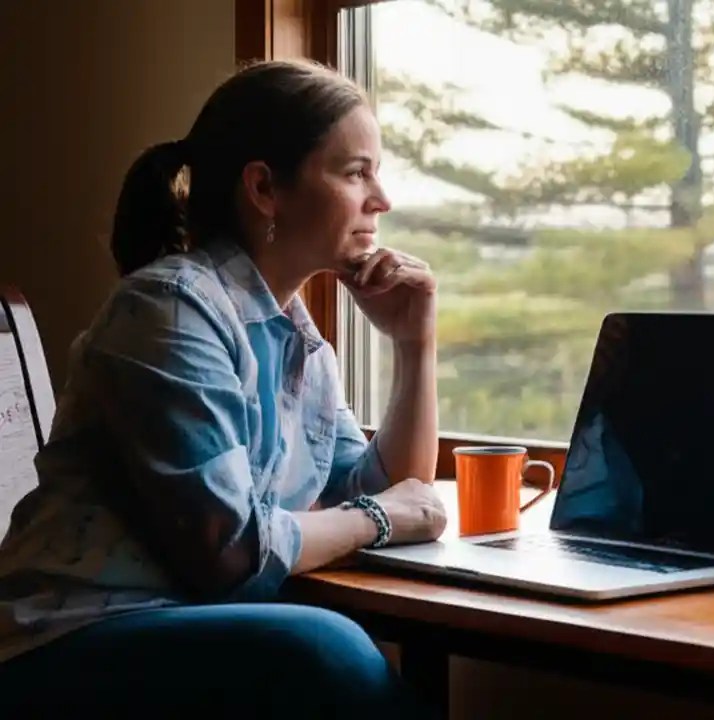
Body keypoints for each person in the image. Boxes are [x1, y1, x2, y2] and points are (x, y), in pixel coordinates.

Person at [0, 59, 447, 716]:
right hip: (67, 638)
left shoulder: (294, 336)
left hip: (180, 627)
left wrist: (414, 344)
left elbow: (394, 490)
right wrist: (380, 518)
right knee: (326, 651)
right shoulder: (170, 310)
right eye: (357, 172)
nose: (382, 199)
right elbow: (230, 554)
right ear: (266, 188)